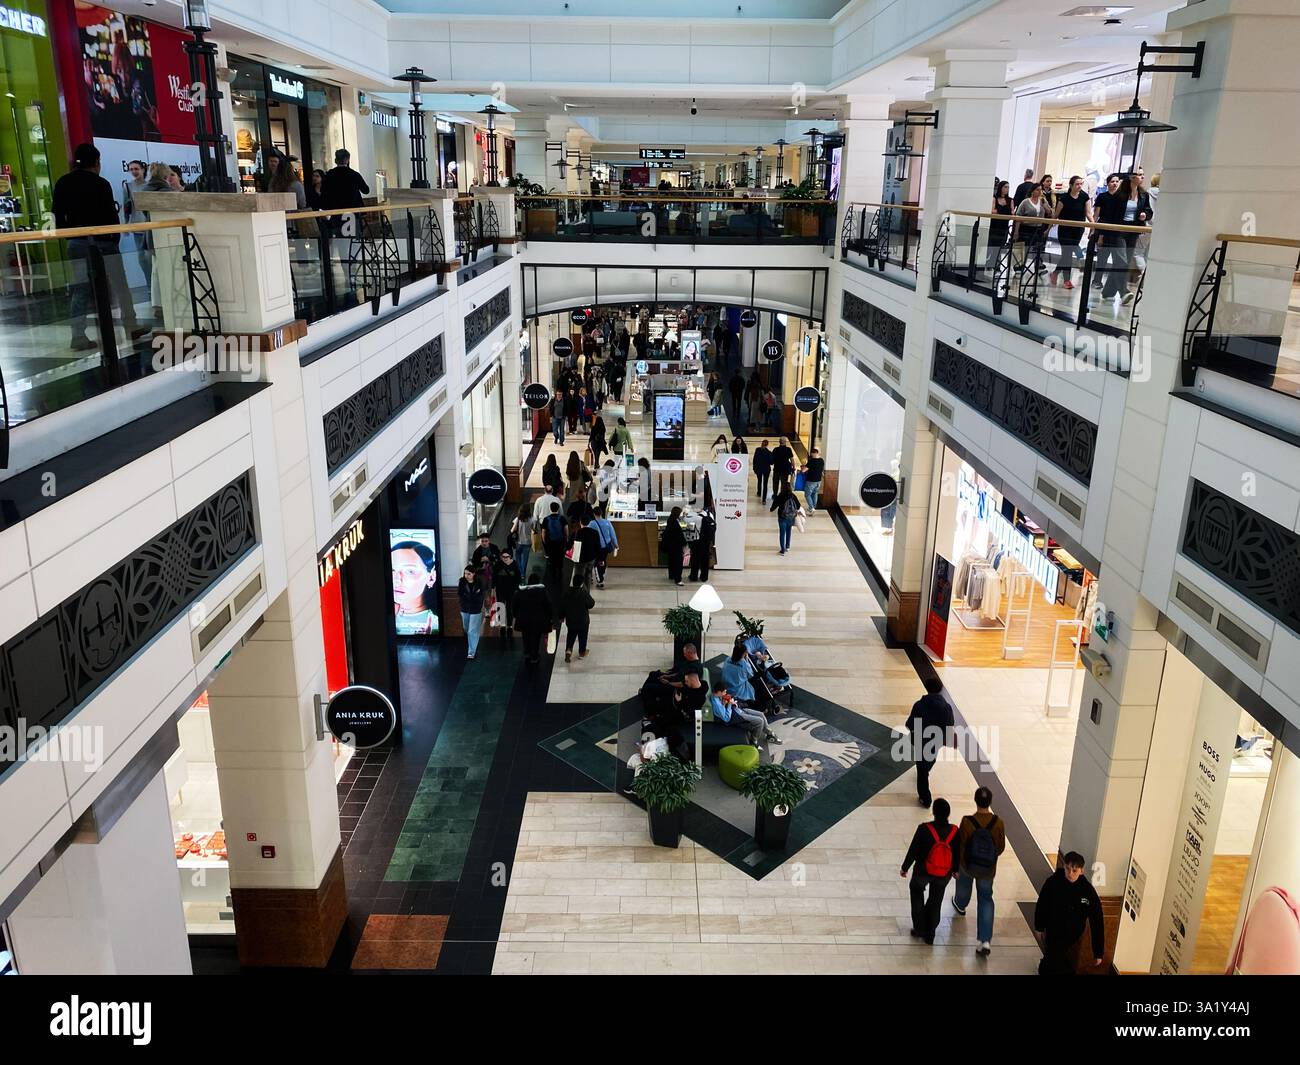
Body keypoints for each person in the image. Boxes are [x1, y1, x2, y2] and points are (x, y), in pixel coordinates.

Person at [53, 143, 145, 350]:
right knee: (120, 285)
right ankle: (130, 326)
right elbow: (110, 215)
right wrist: (113, 240)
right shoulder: (100, 184)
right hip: (103, 242)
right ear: (96, 162)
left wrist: (69, 234)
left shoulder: (63, 183)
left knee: (81, 289)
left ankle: (77, 335)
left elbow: (57, 215)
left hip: (76, 241)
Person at [952, 786, 1007, 958]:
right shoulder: (998, 822)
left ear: (975, 800)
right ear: (990, 802)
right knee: (985, 899)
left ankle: (960, 905)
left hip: (967, 867)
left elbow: (960, 845)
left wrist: (958, 866)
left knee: (963, 890)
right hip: (987, 870)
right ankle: (984, 940)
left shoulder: (967, 821)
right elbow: (1000, 847)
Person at [900, 797, 961, 945]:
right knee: (936, 901)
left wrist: (905, 867)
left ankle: (919, 927)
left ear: (933, 813)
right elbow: (958, 852)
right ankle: (930, 934)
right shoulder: (954, 831)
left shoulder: (924, 829)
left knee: (916, 891)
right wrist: (955, 869)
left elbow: (913, 850)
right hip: (943, 873)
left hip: (923, 871)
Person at [1034, 852, 1107, 974]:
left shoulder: (1087, 891)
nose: (1070, 874)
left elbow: (1097, 921)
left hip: (1072, 933)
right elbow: (1042, 904)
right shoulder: (1053, 882)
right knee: (1054, 955)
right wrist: (1039, 926)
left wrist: (1098, 952)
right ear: (1064, 866)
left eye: (1074, 870)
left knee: (1054, 956)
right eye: (1067, 869)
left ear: (1081, 871)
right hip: (1053, 927)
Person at [1096, 171, 1152, 305]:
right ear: (1132, 178)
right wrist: (1102, 234)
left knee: (1122, 263)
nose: (1142, 177)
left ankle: (1107, 292)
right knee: (1121, 261)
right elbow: (1108, 216)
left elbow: (1149, 211)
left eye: (1143, 175)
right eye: (1139, 175)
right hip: (1117, 232)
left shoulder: (1144, 195)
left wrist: (1145, 214)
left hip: (1133, 231)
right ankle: (1123, 292)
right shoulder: (1119, 195)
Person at [905, 676, 954, 807]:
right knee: (929, 760)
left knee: (922, 768)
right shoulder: (946, 708)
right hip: (936, 741)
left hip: (920, 740)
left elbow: (910, 723)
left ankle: (925, 798)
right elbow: (949, 726)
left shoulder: (919, 705)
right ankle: (925, 772)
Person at [1050, 175, 1092, 289]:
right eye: (1077, 184)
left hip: (1078, 230)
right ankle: (1067, 280)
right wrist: (1048, 228)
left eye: (1081, 184)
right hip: (1065, 230)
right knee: (1067, 253)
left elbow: (1088, 213)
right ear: (1071, 185)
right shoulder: (1064, 198)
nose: (1079, 186)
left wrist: (1093, 225)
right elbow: (1056, 215)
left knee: (1066, 254)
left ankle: (1055, 273)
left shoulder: (1084, 197)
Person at [391, 539, 439, 634]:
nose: (397, 579)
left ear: (431, 578)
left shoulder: (434, 624)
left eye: (410, 571)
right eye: (392, 570)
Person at [710, 683, 779, 747]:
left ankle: (769, 734)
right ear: (719, 692)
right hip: (735, 716)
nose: (725, 693)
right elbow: (726, 718)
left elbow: (723, 707)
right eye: (724, 692)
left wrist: (726, 702)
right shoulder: (716, 705)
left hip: (737, 710)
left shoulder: (717, 696)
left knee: (761, 714)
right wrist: (729, 705)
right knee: (760, 721)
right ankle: (753, 741)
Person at [513, 578, 553, 664]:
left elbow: (515, 605)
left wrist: (516, 615)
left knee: (525, 636)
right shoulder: (543, 593)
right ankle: (534, 656)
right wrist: (550, 618)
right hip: (538, 620)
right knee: (536, 638)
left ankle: (527, 652)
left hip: (523, 619)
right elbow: (548, 606)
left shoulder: (521, 592)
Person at [320, 148, 370, 213]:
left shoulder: (329, 175)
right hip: (353, 210)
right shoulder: (354, 174)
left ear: (336, 160)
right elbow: (366, 190)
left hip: (335, 210)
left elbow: (323, 191)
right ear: (347, 160)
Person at [1013, 183, 1051, 269]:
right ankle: (1019, 265)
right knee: (1024, 248)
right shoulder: (1025, 202)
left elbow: (1049, 213)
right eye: (1037, 190)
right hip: (1026, 228)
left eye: (1040, 190)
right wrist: (1016, 231)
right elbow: (1018, 216)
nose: (1039, 192)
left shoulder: (1042, 201)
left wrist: (1045, 205)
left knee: (1038, 247)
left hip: (1038, 228)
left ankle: (1038, 265)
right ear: (1032, 191)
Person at [559, 574, 595, 663]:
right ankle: (582, 652)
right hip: (583, 620)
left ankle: (568, 650)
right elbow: (591, 604)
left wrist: (561, 616)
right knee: (583, 636)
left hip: (571, 620)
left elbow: (562, 606)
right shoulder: (583, 593)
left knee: (571, 635)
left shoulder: (567, 593)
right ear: (581, 583)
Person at [457, 565, 485, 660]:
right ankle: (472, 644)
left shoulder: (479, 582)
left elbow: (480, 596)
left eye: (469, 574)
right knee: (467, 628)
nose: (466, 575)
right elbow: (460, 595)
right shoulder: (462, 582)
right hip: (465, 609)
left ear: (474, 574)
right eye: (465, 573)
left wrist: (471, 599)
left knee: (472, 631)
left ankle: (471, 652)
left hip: (475, 609)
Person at [493, 549, 521, 640]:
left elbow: (518, 577)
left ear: (510, 556)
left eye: (507, 557)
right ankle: (502, 625)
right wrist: (493, 587)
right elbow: (494, 576)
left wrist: (517, 588)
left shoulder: (515, 564)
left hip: (511, 590)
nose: (504, 559)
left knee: (509, 608)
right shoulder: (498, 564)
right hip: (500, 589)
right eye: (503, 557)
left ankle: (509, 625)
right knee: (500, 607)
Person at [589, 507, 619, 589]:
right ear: (601, 513)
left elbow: (588, 534)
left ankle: (600, 581)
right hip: (606, 547)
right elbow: (613, 535)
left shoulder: (592, 523)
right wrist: (616, 544)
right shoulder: (607, 522)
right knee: (602, 561)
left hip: (597, 547)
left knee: (597, 563)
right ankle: (601, 575)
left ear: (594, 514)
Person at [986, 179, 1013, 268]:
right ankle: (991, 263)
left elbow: (1012, 213)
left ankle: (995, 264)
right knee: (992, 246)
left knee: (1000, 247)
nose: (1007, 189)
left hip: (1004, 227)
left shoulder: (1010, 200)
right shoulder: (994, 198)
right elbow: (992, 211)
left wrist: (1000, 211)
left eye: (1008, 187)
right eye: (1005, 187)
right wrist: (1003, 211)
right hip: (994, 226)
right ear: (1000, 187)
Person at [770, 482, 801, 556]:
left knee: (782, 533)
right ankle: (787, 546)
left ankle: (782, 550)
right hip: (791, 517)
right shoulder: (793, 496)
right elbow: (798, 506)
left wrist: (771, 509)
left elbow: (773, 507)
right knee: (788, 531)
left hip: (782, 517)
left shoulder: (779, 496)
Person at [541, 501, 569, 577]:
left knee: (552, 555)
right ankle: (560, 570)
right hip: (560, 541)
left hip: (550, 541)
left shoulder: (546, 519)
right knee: (560, 555)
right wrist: (566, 539)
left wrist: (544, 541)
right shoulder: (562, 518)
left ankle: (553, 571)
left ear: (550, 509)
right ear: (558, 509)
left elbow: (543, 532)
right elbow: (566, 530)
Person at [662, 505, 687, 586]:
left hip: (670, 545)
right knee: (678, 563)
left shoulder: (670, 519)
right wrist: (684, 543)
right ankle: (678, 579)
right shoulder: (675, 522)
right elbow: (679, 535)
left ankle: (671, 575)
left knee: (671, 561)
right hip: (676, 546)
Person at [689, 506, 716, 582]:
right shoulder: (710, 514)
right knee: (705, 559)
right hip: (707, 541)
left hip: (697, 541)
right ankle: (704, 577)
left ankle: (693, 577)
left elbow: (687, 522)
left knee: (695, 559)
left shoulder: (696, 517)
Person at [510, 503, 535, 578]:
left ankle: (520, 571)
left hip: (518, 541)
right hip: (528, 542)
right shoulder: (532, 519)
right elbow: (534, 529)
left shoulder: (517, 519)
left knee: (518, 556)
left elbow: (512, 530)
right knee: (525, 558)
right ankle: (523, 574)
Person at [800, 447, 825, 512]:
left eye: (812, 454)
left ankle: (811, 507)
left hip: (811, 480)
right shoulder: (821, 460)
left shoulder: (811, 461)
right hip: (818, 480)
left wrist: (803, 467)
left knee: (807, 494)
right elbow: (821, 470)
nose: (811, 455)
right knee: (815, 493)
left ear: (814, 453)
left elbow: (803, 471)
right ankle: (813, 506)